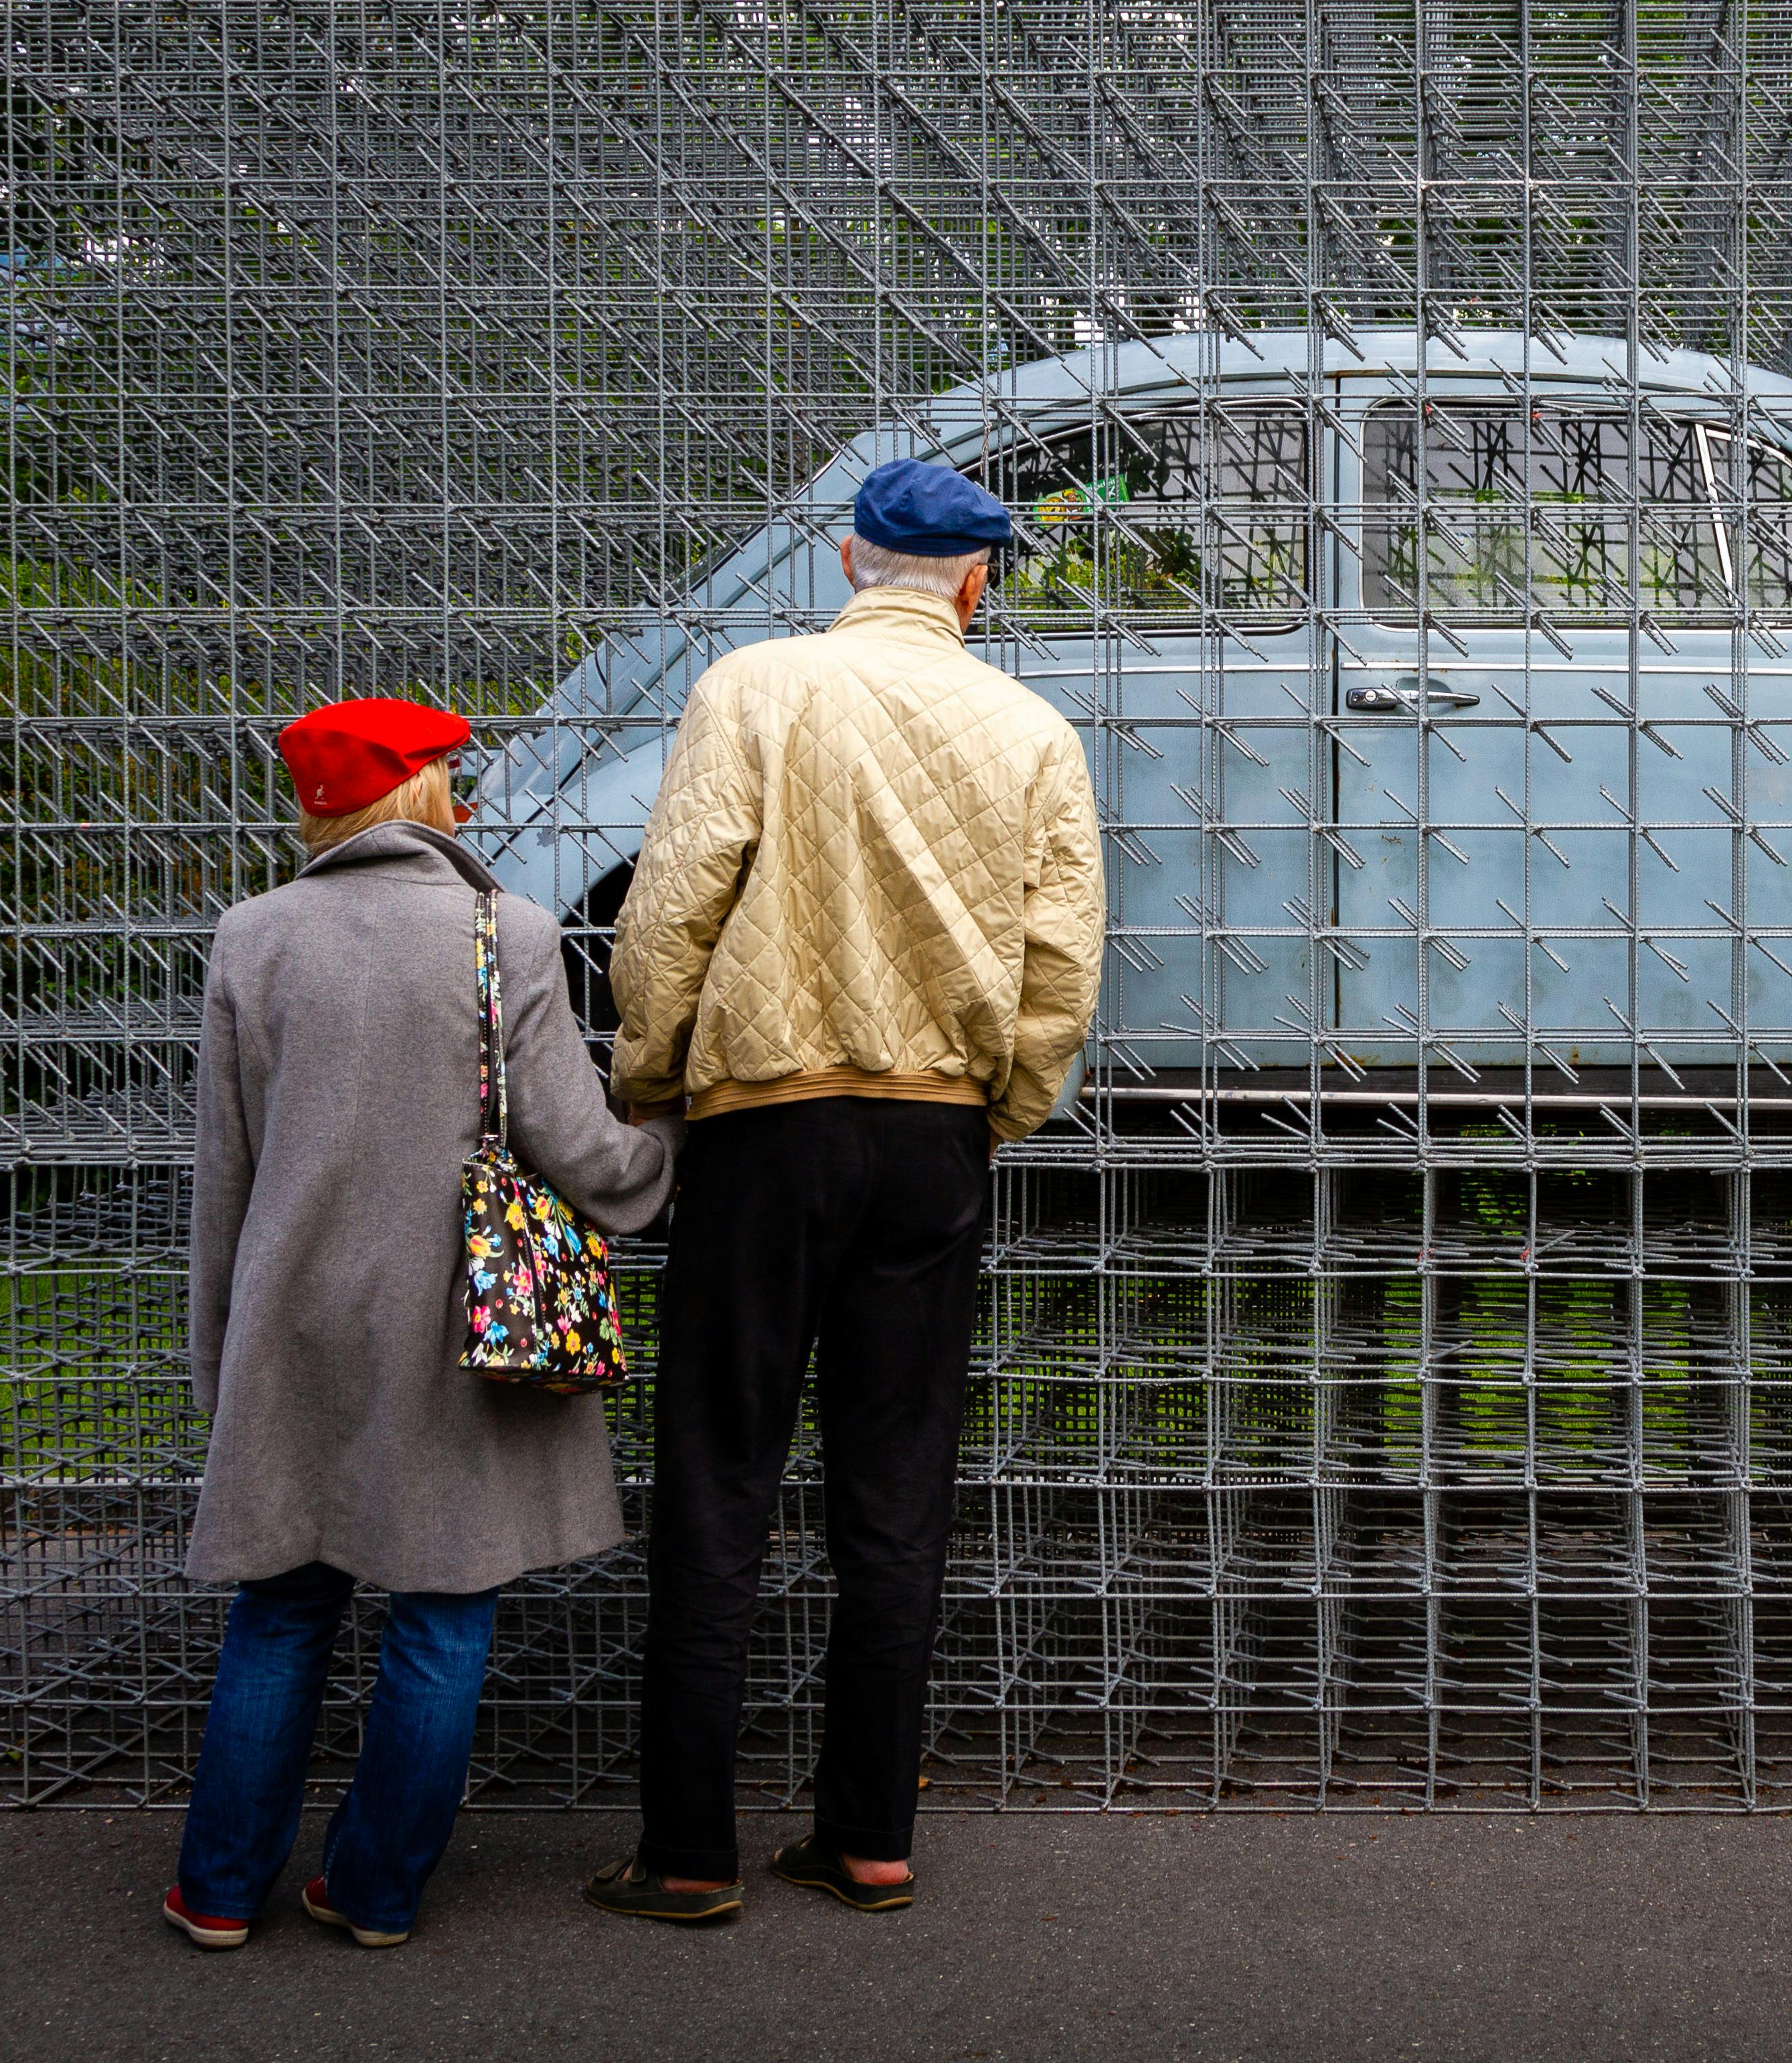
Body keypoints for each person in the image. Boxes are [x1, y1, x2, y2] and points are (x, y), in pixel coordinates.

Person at [582, 460, 1102, 1922]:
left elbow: (673, 897)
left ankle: (688, 1850)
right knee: (895, 1487)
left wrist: (650, 1078)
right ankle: (867, 1834)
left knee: (719, 1474)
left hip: (765, 1124)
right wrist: (998, 1106)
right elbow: (1059, 960)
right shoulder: (1031, 727)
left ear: (846, 559)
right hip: (932, 1132)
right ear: (976, 581)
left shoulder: (753, 688)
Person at [164, 700, 683, 1952]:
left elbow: (223, 1169)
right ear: (415, 790)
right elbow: (569, 1142)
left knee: (282, 1606)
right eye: (452, 774)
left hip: (292, 1317)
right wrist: (665, 1156)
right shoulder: (504, 932)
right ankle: (376, 1891)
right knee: (444, 1607)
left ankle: (222, 1891)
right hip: (455, 1318)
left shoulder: (254, 936)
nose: (469, 795)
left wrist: (218, 1352)